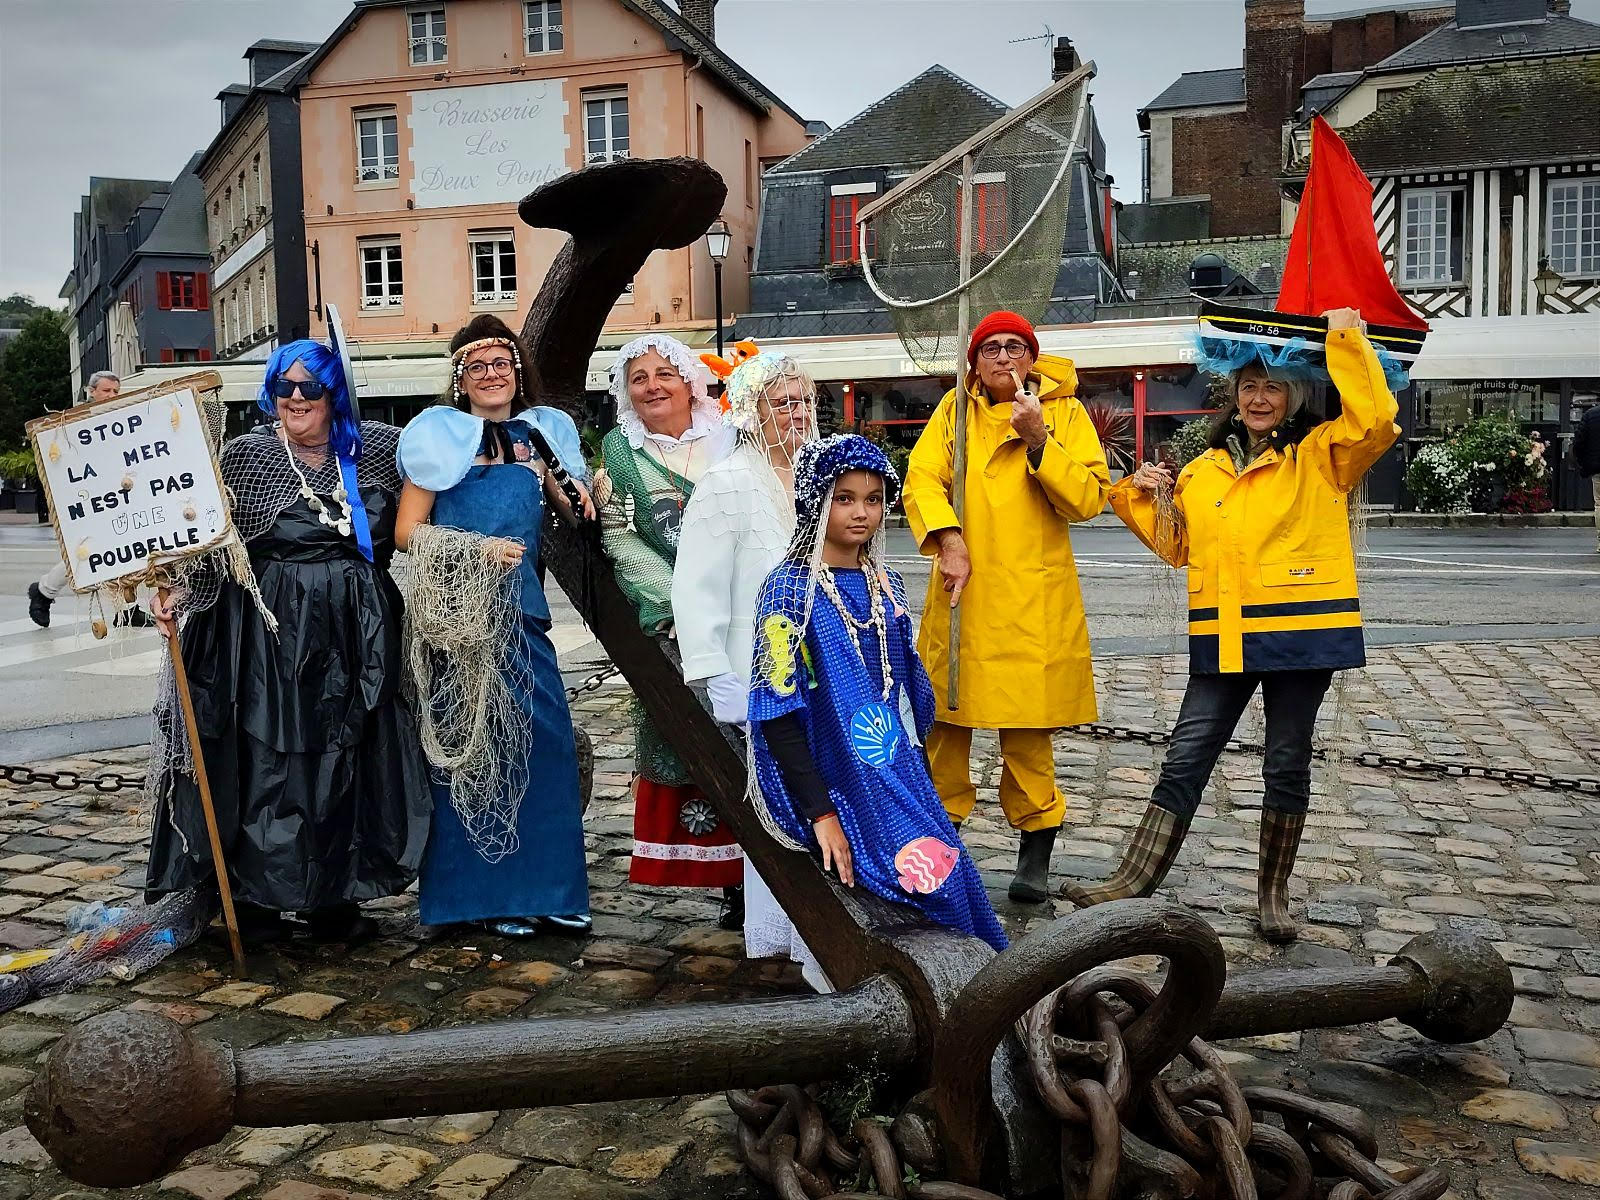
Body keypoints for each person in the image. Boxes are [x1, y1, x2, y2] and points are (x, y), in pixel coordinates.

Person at [1063, 309, 1395, 944]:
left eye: (1272, 386)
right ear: (1233, 395)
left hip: (1302, 633)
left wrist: (1347, 338)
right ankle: (1132, 881)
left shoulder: (1323, 454)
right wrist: (1138, 494)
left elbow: (1376, 421)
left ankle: (1273, 898)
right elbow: (1179, 546)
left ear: (1293, 395)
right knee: (1186, 753)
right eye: (1248, 385)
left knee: (1286, 761)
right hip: (1226, 632)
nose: (1259, 397)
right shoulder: (1202, 468)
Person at [146, 339, 430, 942]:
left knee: (347, 755)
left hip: (356, 629)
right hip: (262, 630)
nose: (296, 399)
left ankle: (335, 896)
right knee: (263, 758)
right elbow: (209, 540)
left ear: (335, 394)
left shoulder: (377, 448)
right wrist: (175, 590)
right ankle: (254, 900)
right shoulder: (247, 456)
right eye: (285, 387)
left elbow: (424, 511)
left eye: (311, 388)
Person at [748, 434, 1007, 953]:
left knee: (953, 876)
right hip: (836, 773)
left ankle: (986, 992)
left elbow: (909, 700)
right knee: (926, 881)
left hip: (898, 767)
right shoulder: (789, 589)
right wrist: (822, 813)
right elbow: (776, 710)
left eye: (872, 499)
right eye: (843, 498)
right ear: (814, 500)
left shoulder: (886, 585)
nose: (860, 513)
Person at [902, 311, 1109, 904]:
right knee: (945, 728)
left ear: (1032, 356)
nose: (1002, 357)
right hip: (961, 589)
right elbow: (922, 479)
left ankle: (1035, 848)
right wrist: (947, 538)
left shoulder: (1064, 412)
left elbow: (1088, 498)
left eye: (1014, 346)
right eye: (989, 348)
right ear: (974, 362)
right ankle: (940, 849)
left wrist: (1039, 437)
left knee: (1028, 736)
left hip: (1031, 597)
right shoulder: (953, 412)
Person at [396, 314, 593, 937]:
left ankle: (549, 889)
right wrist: (473, 551)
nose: (490, 375)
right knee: (470, 750)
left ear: (517, 372)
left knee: (546, 742)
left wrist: (590, 495)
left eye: (500, 364)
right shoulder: (436, 440)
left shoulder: (542, 438)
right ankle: (481, 900)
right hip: (459, 619)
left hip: (523, 610)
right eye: (476, 367)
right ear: (460, 379)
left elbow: (575, 510)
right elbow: (405, 533)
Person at [673, 351, 819, 967]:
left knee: (826, 788)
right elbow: (696, 583)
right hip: (753, 659)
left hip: (823, 655)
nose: (796, 415)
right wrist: (712, 671)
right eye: (782, 403)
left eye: (804, 401)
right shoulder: (727, 481)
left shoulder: (820, 474)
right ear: (754, 411)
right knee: (778, 798)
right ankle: (782, 928)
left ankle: (827, 922)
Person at [595, 334, 742, 916]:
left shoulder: (733, 438)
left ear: (689, 381)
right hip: (677, 622)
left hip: (747, 608)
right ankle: (732, 876)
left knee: (761, 740)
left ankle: (772, 877)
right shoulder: (620, 450)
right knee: (701, 737)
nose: (653, 385)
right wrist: (678, 604)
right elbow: (620, 535)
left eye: (664, 373)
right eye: (639, 378)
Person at [28, 371, 152, 629]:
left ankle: (127, 609)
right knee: (86, 554)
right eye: (107, 391)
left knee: (123, 552)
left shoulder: (122, 417)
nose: (112, 396)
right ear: (91, 391)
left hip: (118, 495)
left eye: (116, 391)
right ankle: (43, 591)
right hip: (87, 499)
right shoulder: (73, 424)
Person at [1574, 400, 1600, 553]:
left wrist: (1584, 462)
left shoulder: (1591, 415)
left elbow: (1579, 442)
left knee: (1599, 504)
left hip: (1597, 467)